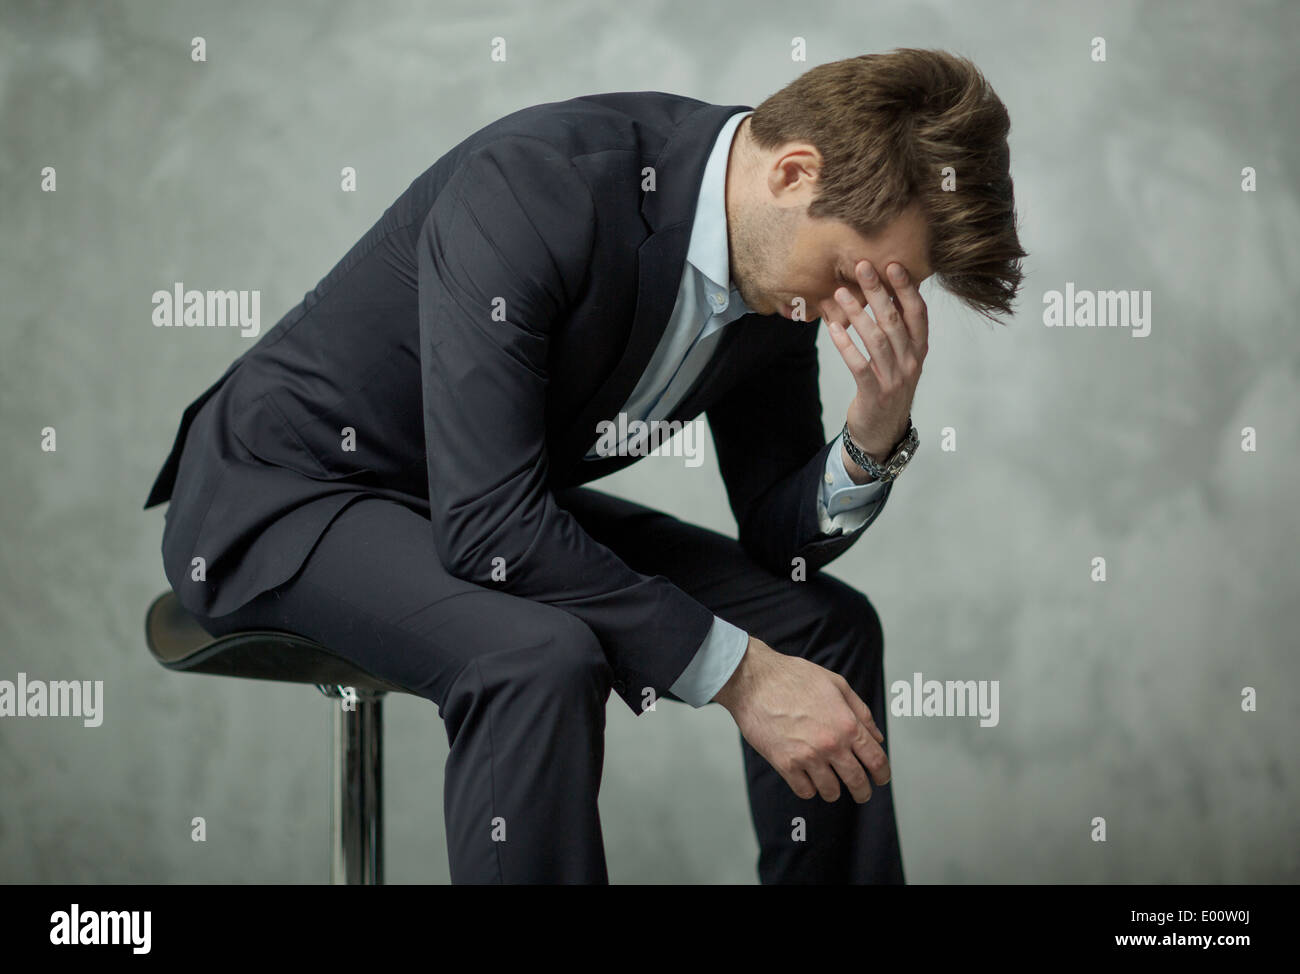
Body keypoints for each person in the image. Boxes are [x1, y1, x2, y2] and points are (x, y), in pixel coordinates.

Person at [142, 48, 1025, 883]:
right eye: (852, 277)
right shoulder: (540, 185)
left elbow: (776, 537)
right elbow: (490, 526)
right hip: (285, 493)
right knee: (537, 656)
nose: (851, 312)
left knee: (822, 625)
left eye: (886, 292)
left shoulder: (779, 282)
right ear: (794, 174)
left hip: (471, 503)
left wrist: (874, 431)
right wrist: (743, 679)